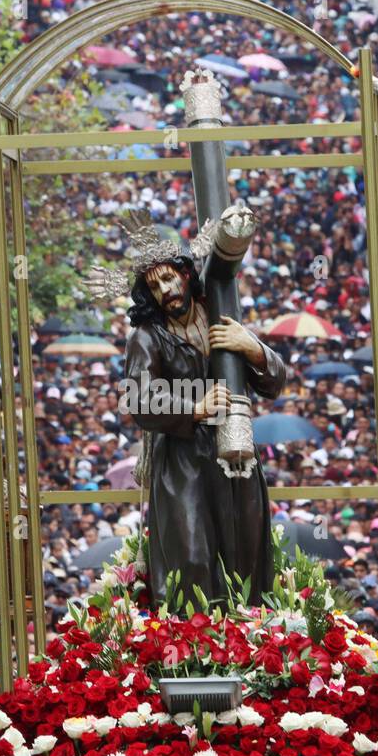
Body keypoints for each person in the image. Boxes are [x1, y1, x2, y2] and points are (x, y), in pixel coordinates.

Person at [114, 210, 288, 608]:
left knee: (244, 549)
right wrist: (194, 407)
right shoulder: (146, 337)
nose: (165, 291)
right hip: (181, 460)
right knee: (190, 554)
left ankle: (244, 641)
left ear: (186, 275)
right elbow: (138, 400)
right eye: (154, 286)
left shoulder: (222, 315)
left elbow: (274, 382)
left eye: (169, 278)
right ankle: (191, 647)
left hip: (234, 450)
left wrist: (253, 348)